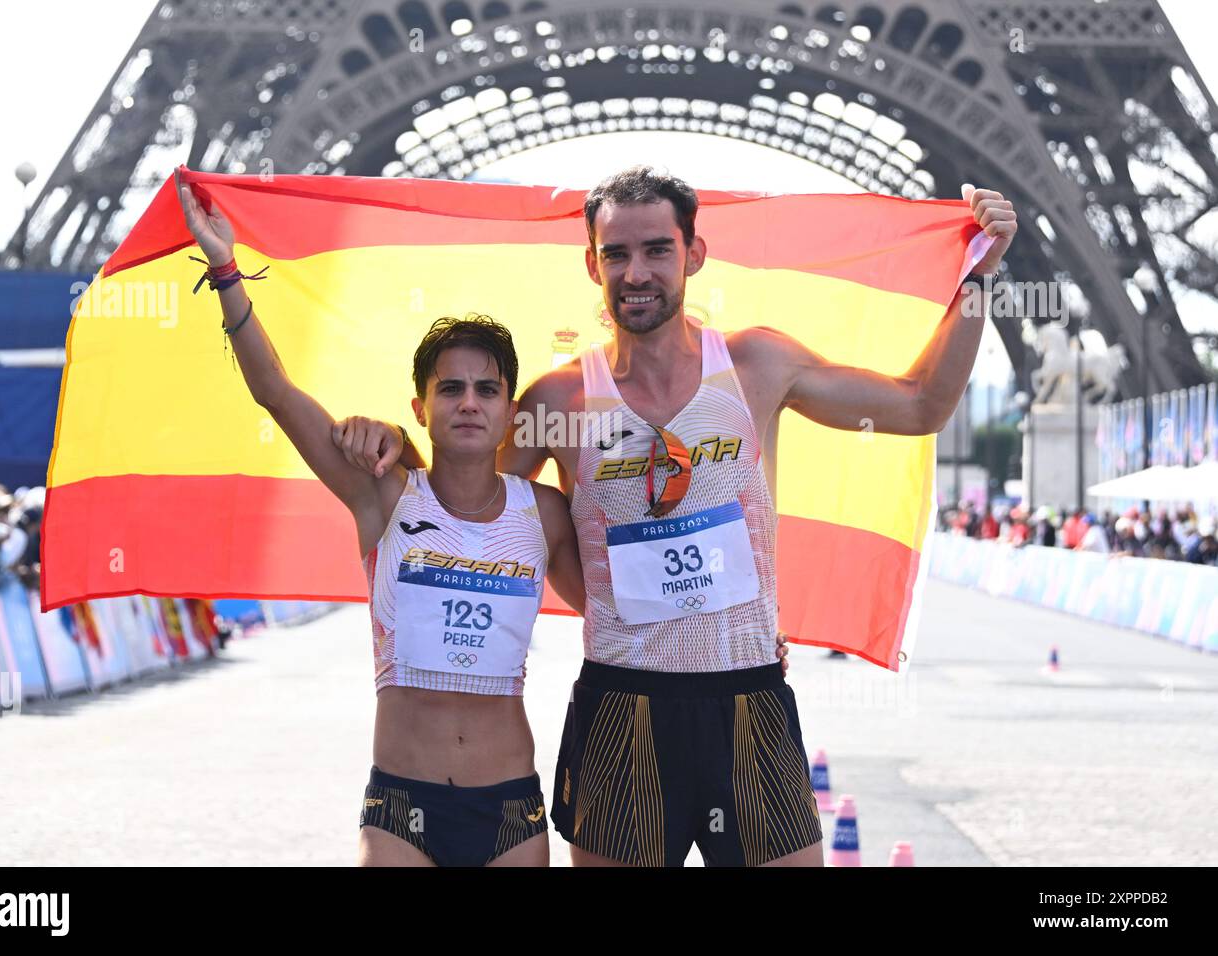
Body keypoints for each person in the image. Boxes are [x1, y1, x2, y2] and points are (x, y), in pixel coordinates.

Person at [332, 165, 1017, 866]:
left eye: (657, 249)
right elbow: (468, 512)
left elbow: (921, 406)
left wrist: (979, 278)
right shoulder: (559, 403)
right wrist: (396, 444)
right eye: (617, 254)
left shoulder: (756, 365)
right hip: (622, 709)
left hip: (747, 697)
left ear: (693, 254)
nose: (637, 272)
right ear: (592, 264)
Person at [175, 169, 589, 867]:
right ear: (421, 407)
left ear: (510, 414)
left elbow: (617, 602)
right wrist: (225, 269)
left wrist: (742, 638)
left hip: (512, 808)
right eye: (449, 388)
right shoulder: (385, 497)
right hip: (402, 807)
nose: (468, 402)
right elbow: (277, 392)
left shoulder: (545, 513)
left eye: (487, 389)